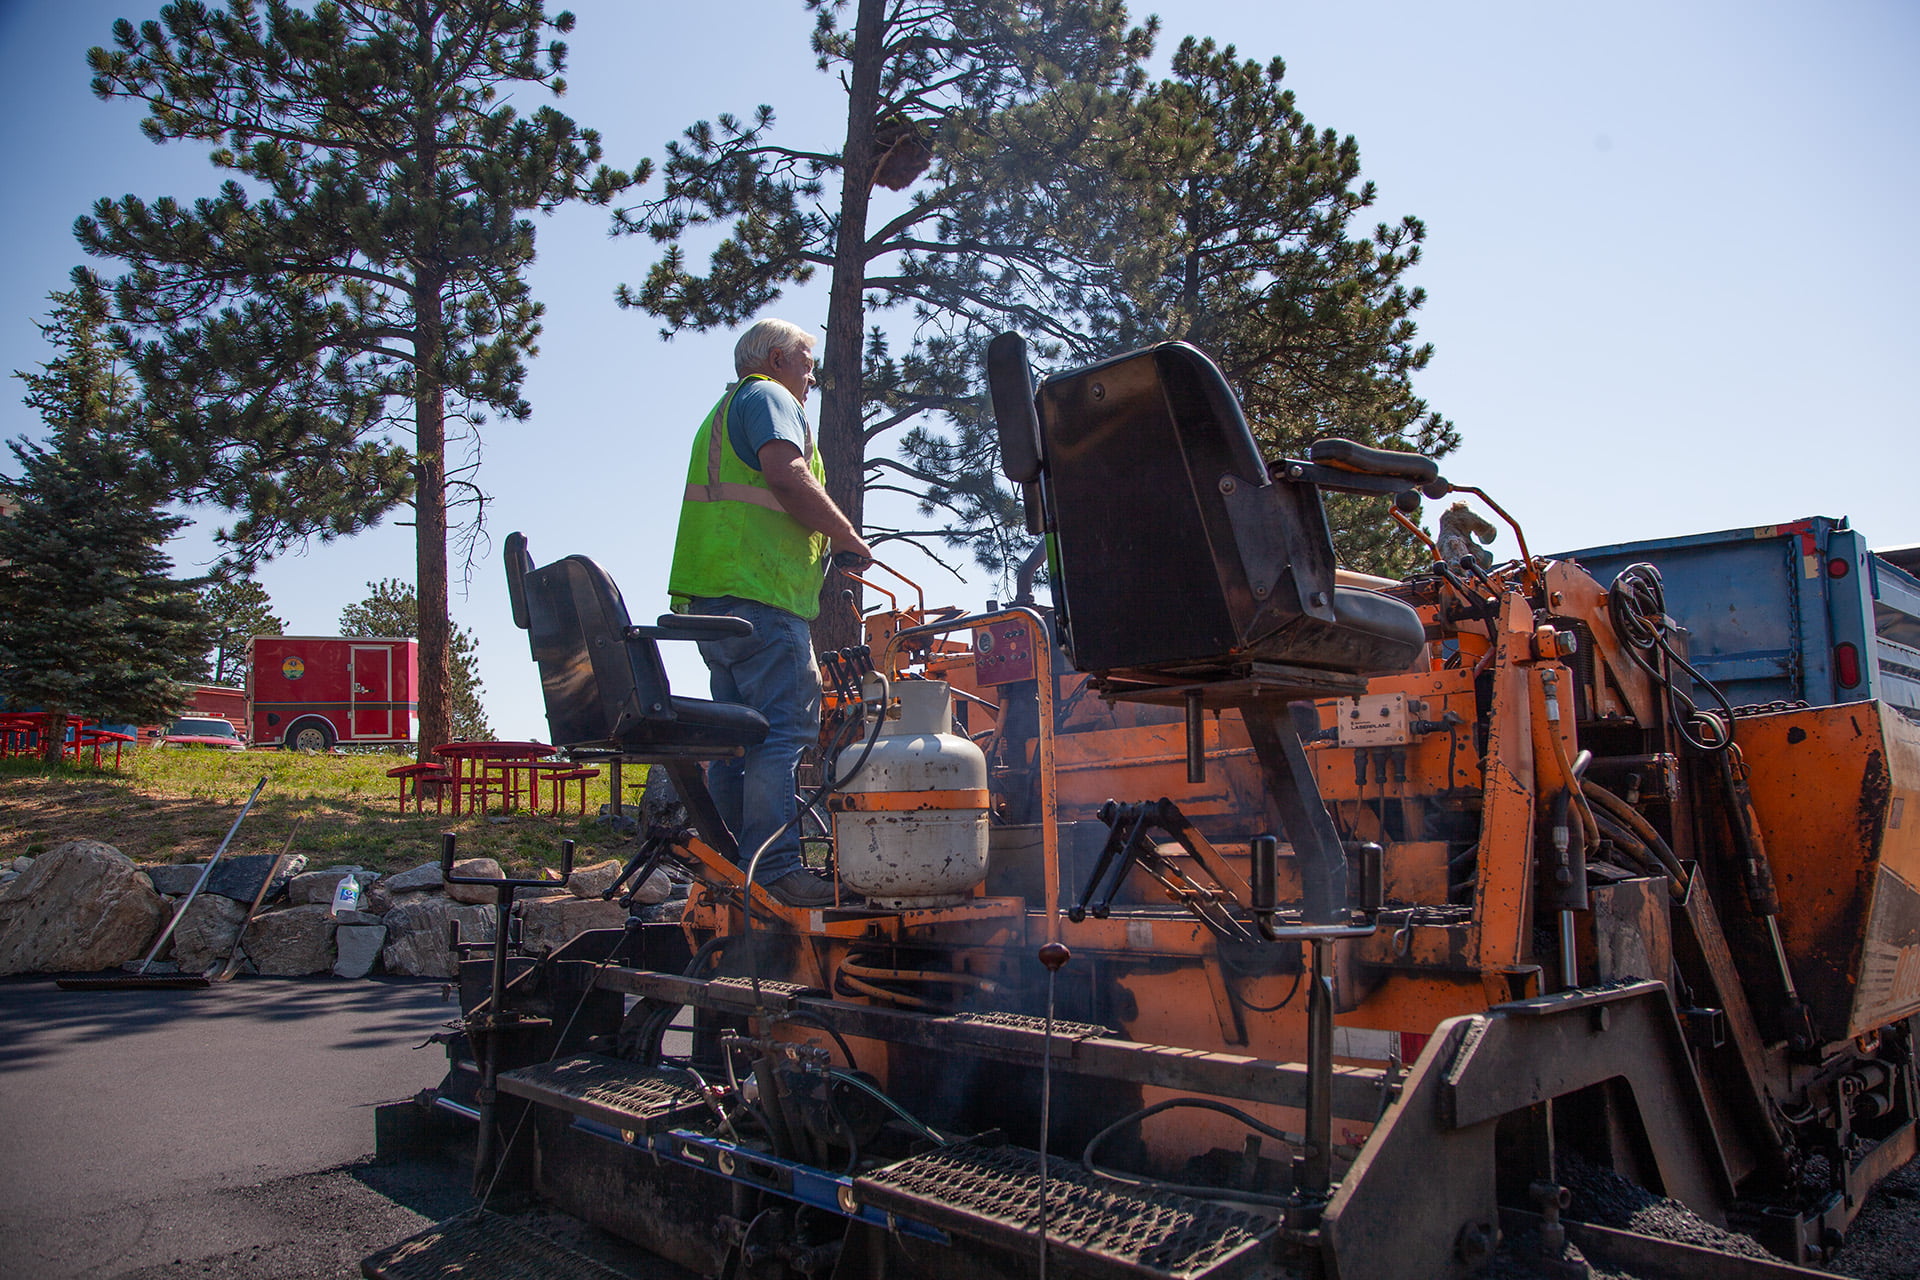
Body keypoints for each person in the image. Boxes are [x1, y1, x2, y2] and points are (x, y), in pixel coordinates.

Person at [667, 318, 874, 908]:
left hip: (718, 601)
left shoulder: (726, 407)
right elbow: (788, 475)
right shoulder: (769, 395)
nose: (812, 376)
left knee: (741, 739)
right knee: (782, 734)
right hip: (762, 599)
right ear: (779, 357)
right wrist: (846, 537)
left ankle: (735, 865)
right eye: (807, 362)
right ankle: (778, 868)